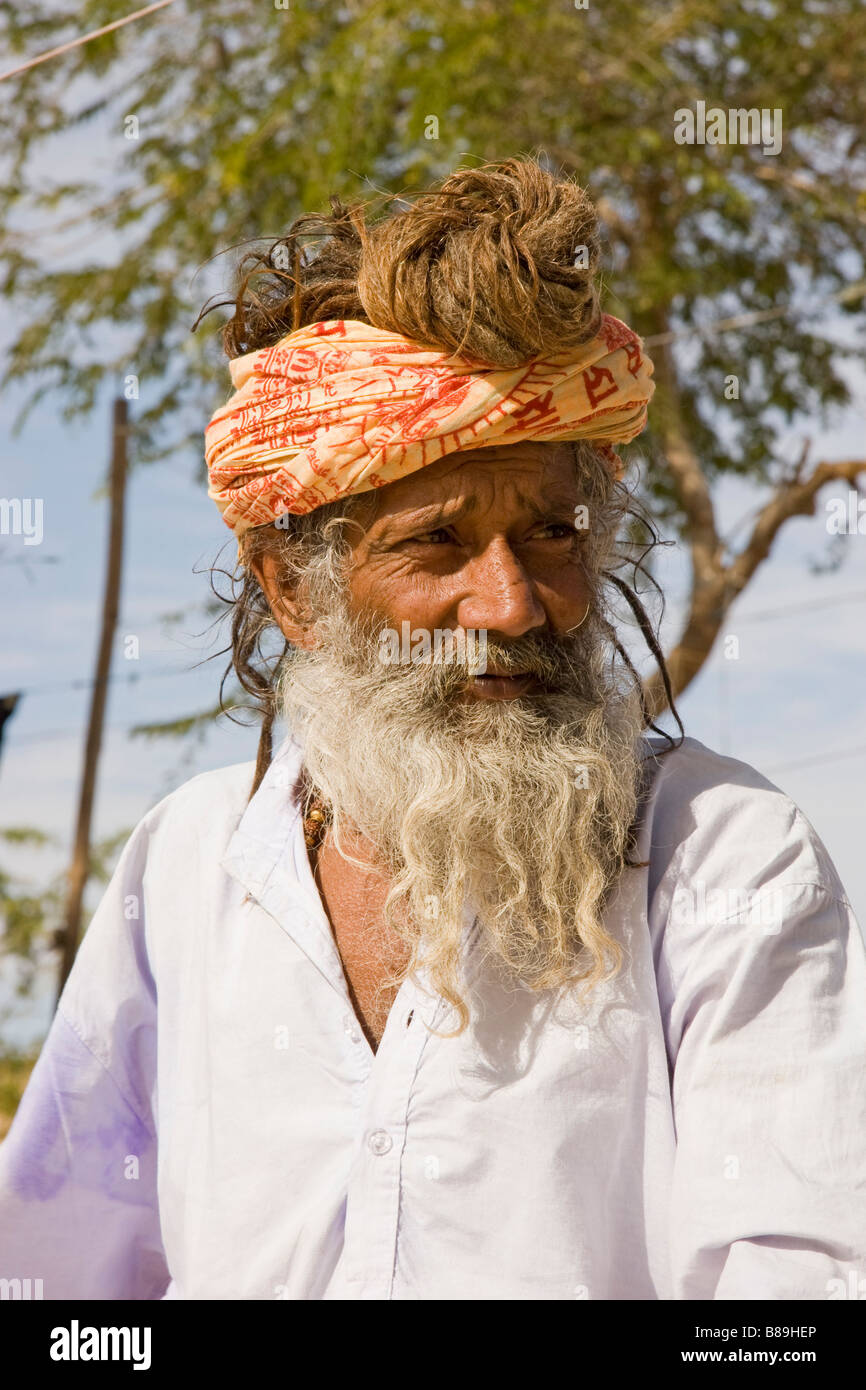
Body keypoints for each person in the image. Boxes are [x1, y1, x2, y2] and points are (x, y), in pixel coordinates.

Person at [1, 158, 864, 1301]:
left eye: (550, 534)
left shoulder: (721, 855)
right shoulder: (188, 866)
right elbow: (59, 1287)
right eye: (435, 544)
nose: (509, 604)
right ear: (293, 591)